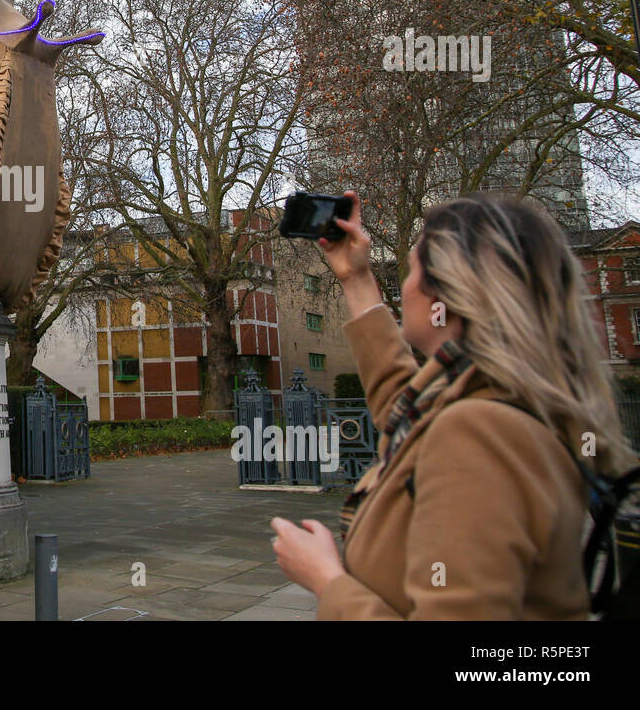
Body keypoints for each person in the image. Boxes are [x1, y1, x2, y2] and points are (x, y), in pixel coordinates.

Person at [270, 191, 635, 619]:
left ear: (444, 293)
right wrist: (356, 279)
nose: (404, 283)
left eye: (413, 268)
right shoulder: (497, 395)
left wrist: (327, 580)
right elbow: (401, 405)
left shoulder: (479, 431)